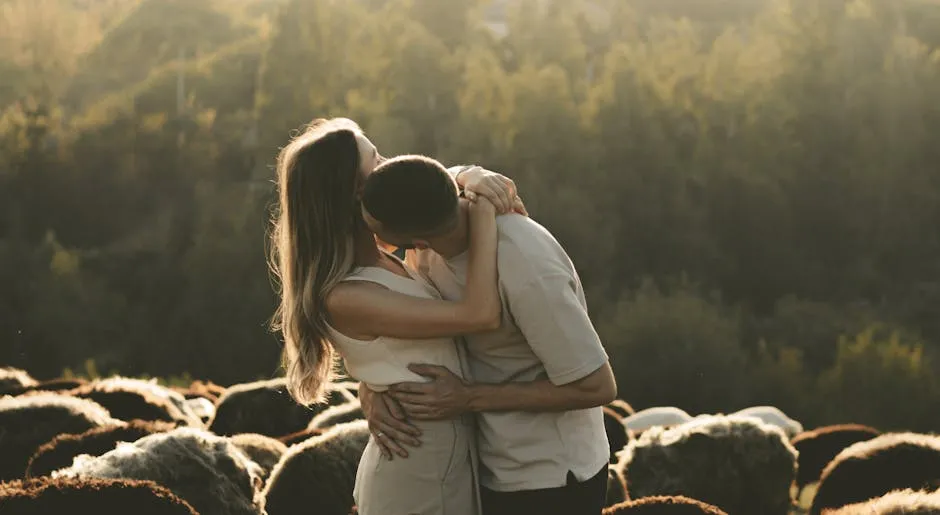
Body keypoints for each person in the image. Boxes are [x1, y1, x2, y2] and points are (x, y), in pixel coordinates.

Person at [268, 117, 519, 515]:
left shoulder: (385, 257)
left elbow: (423, 188)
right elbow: (481, 314)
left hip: (447, 457)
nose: (390, 165)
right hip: (414, 473)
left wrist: (466, 175)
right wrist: (484, 210)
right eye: (377, 160)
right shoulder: (347, 296)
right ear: (355, 192)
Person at [358, 155, 618, 515]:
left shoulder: (526, 267)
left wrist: (467, 398)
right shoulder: (435, 218)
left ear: (415, 240)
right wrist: (371, 388)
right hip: (485, 461)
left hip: (549, 479)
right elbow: (424, 177)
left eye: (372, 226)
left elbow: (597, 386)